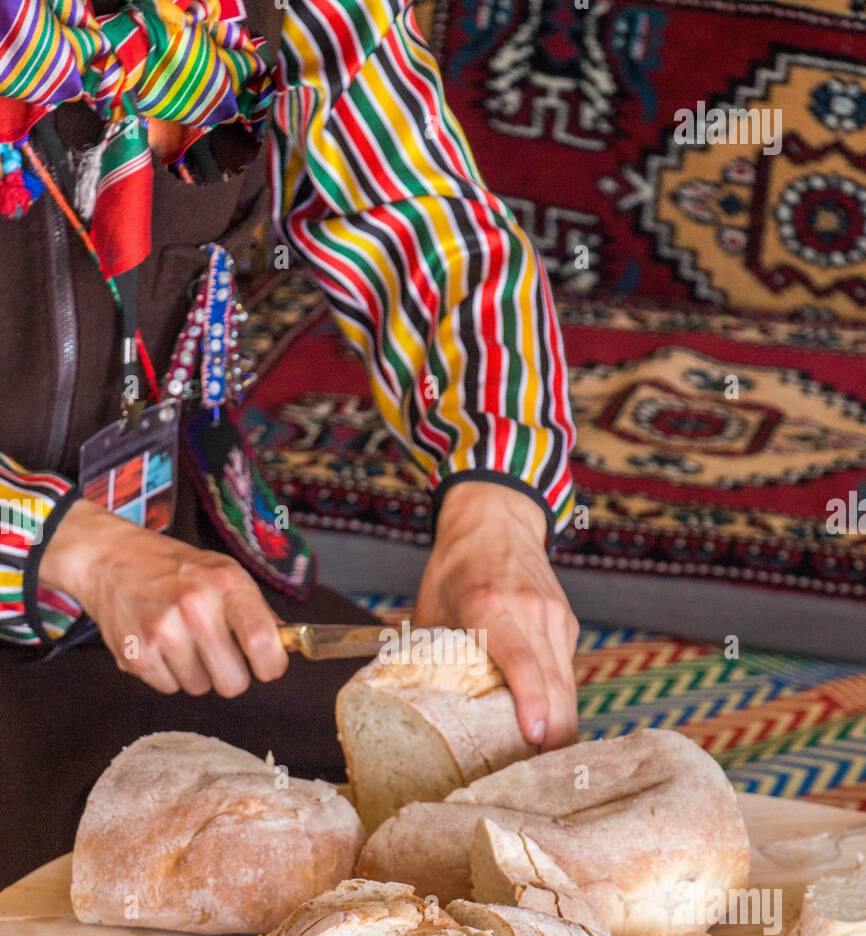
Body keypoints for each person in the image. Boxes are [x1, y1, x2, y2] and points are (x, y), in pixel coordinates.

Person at [0, 0, 578, 889]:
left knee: (488, 841)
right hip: (61, 569)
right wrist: (70, 547)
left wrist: (493, 518)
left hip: (175, 580)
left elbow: (427, 222)